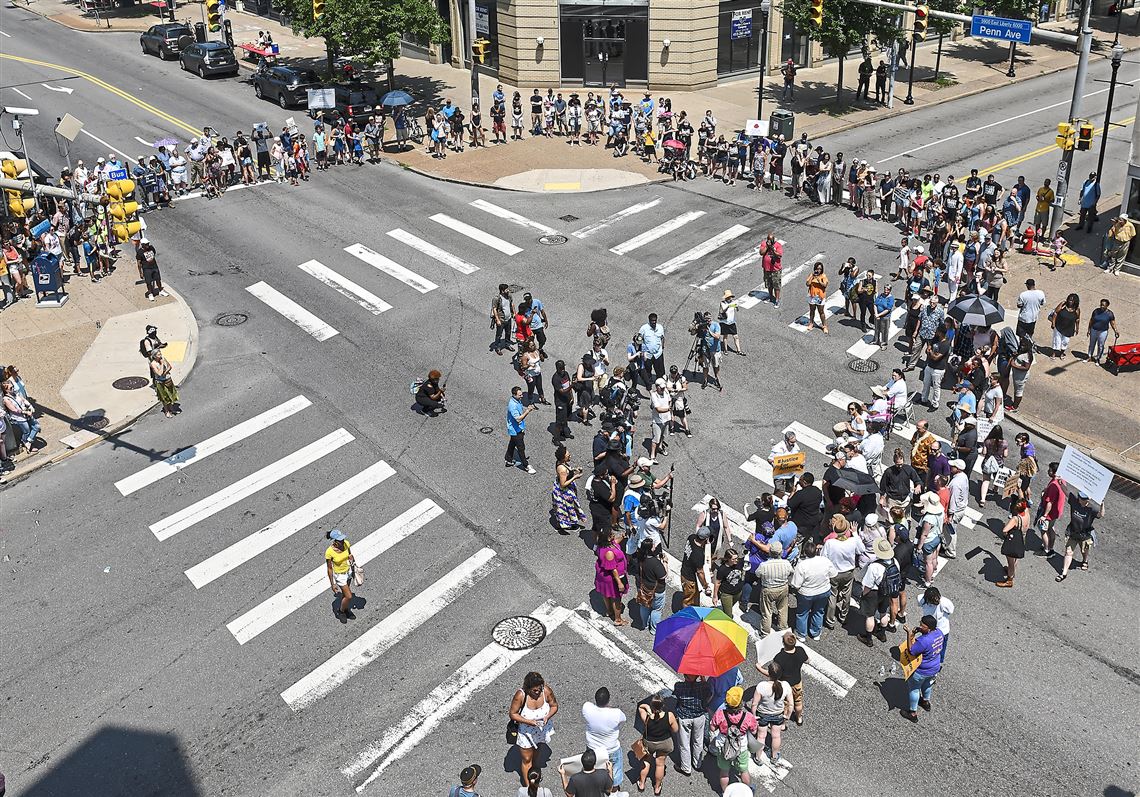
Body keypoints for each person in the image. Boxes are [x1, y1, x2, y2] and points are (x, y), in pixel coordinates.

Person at [509, 672, 558, 787]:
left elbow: (554, 706)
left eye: (539, 689)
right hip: (526, 732)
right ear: (528, 688)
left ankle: (534, 773)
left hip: (541, 730)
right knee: (527, 759)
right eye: (534, 690)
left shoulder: (546, 691)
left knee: (536, 753)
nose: (538, 692)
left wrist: (547, 716)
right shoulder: (520, 696)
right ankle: (529, 788)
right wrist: (529, 722)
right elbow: (513, 714)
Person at [822, 516, 866, 631]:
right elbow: (861, 550)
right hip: (848, 572)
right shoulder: (853, 541)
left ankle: (830, 620)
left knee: (832, 596)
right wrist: (855, 534)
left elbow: (823, 557)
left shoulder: (830, 543)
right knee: (847, 595)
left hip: (834, 573)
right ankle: (843, 616)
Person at [711, 686, 757, 793]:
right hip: (741, 747)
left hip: (724, 746)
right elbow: (754, 731)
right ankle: (747, 790)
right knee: (743, 770)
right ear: (740, 702)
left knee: (724, 772)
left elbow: (712, 728)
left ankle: (725, 792)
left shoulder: (720, 714)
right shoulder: (748, 716)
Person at [900, 615, 945, 723]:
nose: (920, 625)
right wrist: (921, 630)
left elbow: (911, 650)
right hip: (934, 668)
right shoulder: (939, 633)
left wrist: (910, 633)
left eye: (922, 625)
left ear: (929, 628)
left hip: (921, 670)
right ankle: (925, 702)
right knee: (927, 685)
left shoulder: (923, 641)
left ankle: (912, 713)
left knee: (914, 689)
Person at [790, 541, 836, 641]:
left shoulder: (802, 565)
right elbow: (833, 574)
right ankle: (815, 633)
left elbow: (795, 584)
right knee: (819, 612)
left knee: (802, 613)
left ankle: (802, 634)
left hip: (806, 593)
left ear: (805, 552)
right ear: (816, 550)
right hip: (823, 591)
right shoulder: (825, 560)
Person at [749, 661, 793, 764]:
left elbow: (754, 704)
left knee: (761, 736)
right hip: (778, 714)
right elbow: (791, 705)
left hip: (763, 714)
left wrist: (754, 716)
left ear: (768, 673)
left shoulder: (761, 686)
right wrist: (786, 717)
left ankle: (758, 757)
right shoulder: (785, 685)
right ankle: (774, 756)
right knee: (776, 736)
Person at [582, 687, 626, 791]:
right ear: (608, 700)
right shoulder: (616, 713)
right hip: (611, 748)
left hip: (592, 748)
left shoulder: (587, 708)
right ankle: (613, 789)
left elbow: (588, 704)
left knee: (595, 767)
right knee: (615, 769)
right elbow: (622, 721)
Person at [858, 538, 900, 646]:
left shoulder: (874, 566)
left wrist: (863, 594)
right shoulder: (895, 562)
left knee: (870, 616)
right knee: (883, 613)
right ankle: (882, 634)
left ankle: (868, 639)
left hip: (873, 593)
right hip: (886, 592)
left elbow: (868, 585)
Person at [1056, 491, 1103, 582]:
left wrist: (1102, 505)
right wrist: (1060, 481)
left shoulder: (1092, 508)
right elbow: (1066, 492)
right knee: (1068, 552)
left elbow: (1100, 515)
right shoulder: (1075, 501)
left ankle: (1085, 561)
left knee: (1084, 550)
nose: (1081, 501)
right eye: (1080, 498)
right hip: (1073, 532)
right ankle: (1063, 573)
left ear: (1088, 500)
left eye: (1083, 500)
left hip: (1084, 534)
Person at [635, 694, 677, 794]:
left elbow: (641, 707)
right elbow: (676, 730)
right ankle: (657, 788)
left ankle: (641, 784)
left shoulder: (647, 717)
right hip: (664, 743)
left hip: (649, 743)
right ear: (663, 706)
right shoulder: (669, 715)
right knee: (660, 765)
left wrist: (648, 708)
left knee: (646, 762)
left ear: (652, 706)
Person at [594, 528, 628, 625]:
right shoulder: (609, 553)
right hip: (613, 578)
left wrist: (622, 536)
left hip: (603, 576)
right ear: (608, 538)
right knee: (616, 598)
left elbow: (616, 543)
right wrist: (619, 583)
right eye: (611, 534)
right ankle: (618, 620)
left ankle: (609, 611)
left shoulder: (604, 544)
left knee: (606, 594)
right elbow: (613, 569)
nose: (613, 534)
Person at [635, 540, 668, 632]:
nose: (655, 547)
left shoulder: (639, 558)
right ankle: (653, 629)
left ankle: (644, 624)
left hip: (643, 588)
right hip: (656, 590)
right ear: (650, 549)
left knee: (644, 606)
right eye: (653, 546)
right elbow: (663, 576)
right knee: (656, 610)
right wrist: (665, 562)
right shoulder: (655, 563)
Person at [325, 529, 357, 621]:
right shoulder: (329, 552)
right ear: (334, 541)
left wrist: (352, 559)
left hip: (348, 571)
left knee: (344, 594)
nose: (342, 541)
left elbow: (350, 555)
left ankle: (346, 609)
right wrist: (332, 584)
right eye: (340, 540)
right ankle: (341, 611)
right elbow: (329, 569)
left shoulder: (346, 543)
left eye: (342, 539)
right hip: (340, 576)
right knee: (349, 596)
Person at [552, 446, 587, 533]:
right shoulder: (562, 469)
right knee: (568, 507)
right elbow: (563, 484)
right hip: (564, 491)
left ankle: (571, 522)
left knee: (570, 507)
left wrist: (574, 470)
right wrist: (575, 477)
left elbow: (567, 471)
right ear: (563, 457)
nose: (570, 456)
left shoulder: (562, 463)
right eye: (568, 455)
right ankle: (567, 524)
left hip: (567, 488)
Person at [996, 498, 1029, 588]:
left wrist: (1006, 533)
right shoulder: (1027, 513)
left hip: (1014, 540)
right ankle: (1012, 572)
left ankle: (1009, 579)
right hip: (1022, 538)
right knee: (1016, 558)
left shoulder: (1015, 519)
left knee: (1010, 561)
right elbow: (1023, 500)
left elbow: (1005, 530)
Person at [1036, 461, 1065, 557]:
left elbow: (1050, 502)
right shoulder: (1061, 480)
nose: (1048, 471)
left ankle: (1046, 550)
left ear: (1054, 472)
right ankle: (1051, 547)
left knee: (1043, 530)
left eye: (1050, 470)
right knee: (1051, 528)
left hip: (1049, 513)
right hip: (1056, 513)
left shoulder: (1054, 485)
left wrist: (1044, 516)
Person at [506, 386, 536, 473]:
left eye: (521, 394)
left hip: (518, 428)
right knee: (521, 448)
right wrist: (528, 411)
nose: (522, 396)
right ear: (514, 395)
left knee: (512, 444)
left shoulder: (517, 400)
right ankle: (526, 466)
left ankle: (508, 459)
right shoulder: (512, 405)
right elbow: (518, 419)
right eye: (519, 395)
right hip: (515, 430)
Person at [680, 526, 712, 606]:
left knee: (694, 597)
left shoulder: (691, 537)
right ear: (706, 539)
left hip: (685, 571)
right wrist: (705, 585)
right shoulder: (698, 555)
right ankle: (687, 616)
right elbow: (700, 572)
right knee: (688, 601)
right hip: (690, 579)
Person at [712, 548, 747, 617]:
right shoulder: (722, 569)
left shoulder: (739, 562)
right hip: (726, 594)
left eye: (737, 558)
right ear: (728, 559)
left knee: (728, 608)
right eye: (733, 559)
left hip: (738, 593)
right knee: (729, 615)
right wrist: (715, 596)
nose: (736, 560)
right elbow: (717, 583)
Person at [149, 347, 179, 418]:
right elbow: (159, 373)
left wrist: (165, 372)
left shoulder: (163, 358)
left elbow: (169, 367)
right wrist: (162, 364)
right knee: (164, 398)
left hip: (168, 379)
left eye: (160, 354)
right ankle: (167, 411)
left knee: (171, 394)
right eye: (159, 355)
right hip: (160, 382)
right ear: (154, 356)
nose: (160, 356)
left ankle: (171, 409)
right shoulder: (153, 364)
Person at [1086, 299, 1119, 365]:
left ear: (1107, 306)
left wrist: (1116, 331)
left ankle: (1098, 358)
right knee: (1092, 344)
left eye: (1103, 305)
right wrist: (1089, 329)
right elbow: (1091, 320)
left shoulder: (1110, 314)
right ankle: (1090, 356)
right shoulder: (1096, 311)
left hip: (1103, 332)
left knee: (1100, 345)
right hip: (1094, 330)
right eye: (1101, 304)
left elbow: (1112, 323)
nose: (1101, 306)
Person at [1049, 293, 1081, 359]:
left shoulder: (1077, 310)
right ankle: (1053, 354)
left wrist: (1077, 328)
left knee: (1065, 341)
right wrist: (1053, 323)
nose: (1070, 301)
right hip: (1059, 326)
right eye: (1069, 300)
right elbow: (1055, 313)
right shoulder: (1063, 305)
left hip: (1069, 328)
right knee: (1056, 340)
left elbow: (1077, 319)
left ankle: (1062, 353)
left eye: (1072, 300)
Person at [759, 233, 783, 307]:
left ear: (774, 239)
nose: (769, 241)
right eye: (768, 239)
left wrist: (772, 249)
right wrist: (767, 246)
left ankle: (777, 300)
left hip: (775, 269)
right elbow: (761, 253)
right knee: (769, 284)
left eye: (771, 239)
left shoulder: (778, 245)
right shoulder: (764, 244)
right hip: (767, 268)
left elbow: (779, 255)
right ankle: (770, 296)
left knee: (776, 285)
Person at [805, 261, 829, 334]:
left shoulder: (823, 276)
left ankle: (824, 326)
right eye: (817, 268)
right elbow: (807, 284)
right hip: (812, 296)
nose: (818, 270)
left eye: (820, 269)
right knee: (812, 310)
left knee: (821, 311)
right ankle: (811, 323)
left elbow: (825, 285)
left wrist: (819, 280)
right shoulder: (811, 275)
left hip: (820, 297)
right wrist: (812, 277)